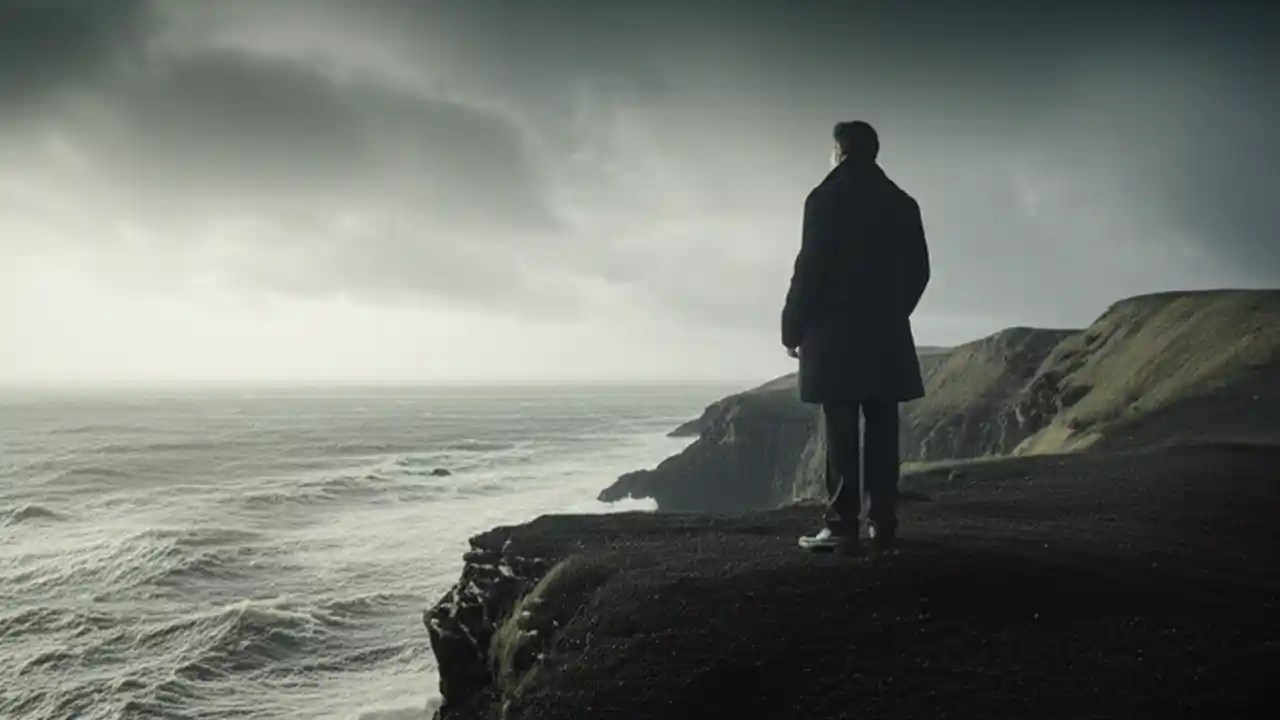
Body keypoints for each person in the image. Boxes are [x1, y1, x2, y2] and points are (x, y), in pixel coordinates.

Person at [782, 120, 930, 554]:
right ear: (874, 152)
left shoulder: (825, 199)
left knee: (841, 432)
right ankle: (883, 523)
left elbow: (810, 269)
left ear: (839, 151)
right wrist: (893, 310)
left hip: (835, 334)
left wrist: (792, 327)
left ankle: (842, 526)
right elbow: (920, 270)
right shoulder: (902, 202)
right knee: (883, 428)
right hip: (885, 332)